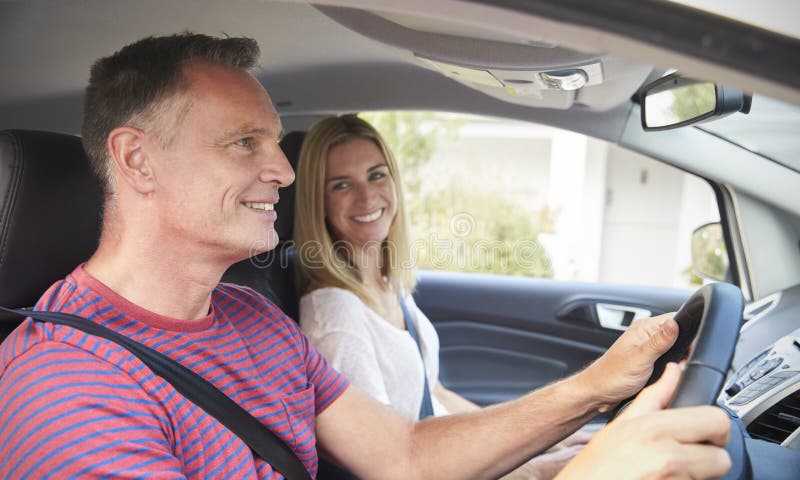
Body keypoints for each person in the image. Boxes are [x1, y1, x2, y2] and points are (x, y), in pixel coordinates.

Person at [0, 32, 731, 480]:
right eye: (244, 144)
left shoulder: (252, 318)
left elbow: (407, 456)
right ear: (138, 161)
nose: (285, 174)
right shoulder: (64, 392)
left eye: (274, 142)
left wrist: (599, 387)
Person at [294, 115, 591, 479]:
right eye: (341, 185)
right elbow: (387, 461)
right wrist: (537, 470)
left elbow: (436, 392)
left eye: (376, 175)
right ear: (318, 202)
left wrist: (544, 440)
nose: (367, 196)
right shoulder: (334, 313)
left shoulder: (390, 285)